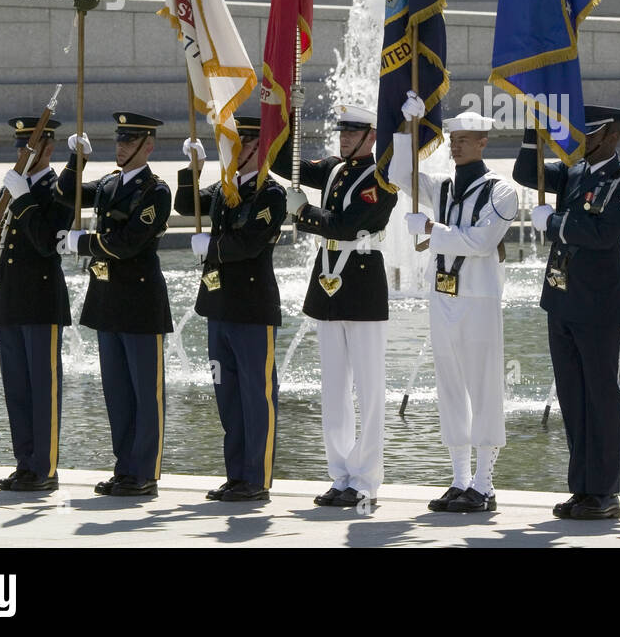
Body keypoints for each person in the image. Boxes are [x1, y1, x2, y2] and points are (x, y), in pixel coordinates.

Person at [390, 95, 519, 513]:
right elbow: (397, 174)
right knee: (449, 386)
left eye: (465, 139)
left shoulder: (501, 191)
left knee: (483, 386)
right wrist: (406, 128)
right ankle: (460, 477)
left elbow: (482, 242)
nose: (456, 146)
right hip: (442, 295)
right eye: (453, 139)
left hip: (479, 298)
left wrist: (432, 228)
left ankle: (485, 482)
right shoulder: (443, 186)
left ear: (483, 142)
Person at [514, 105, 620, 520]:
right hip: (561, 297)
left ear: (609, 136)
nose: (576, 140)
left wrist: (553, 223)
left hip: (601, 303)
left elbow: (603, 234)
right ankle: (582, 488)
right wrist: (533, 131)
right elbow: (525, 174)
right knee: (572, 395)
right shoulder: (573, 172)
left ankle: (604, 492)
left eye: (585, 134)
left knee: (602, 395)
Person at [57, 112, 173, 497]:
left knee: (145, 392)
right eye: (119, 140)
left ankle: (145, 473)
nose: (120, 146)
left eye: (129, 141)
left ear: (148, 146)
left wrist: (84, 244)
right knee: (118, 393)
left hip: (140, 302)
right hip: (106, 302)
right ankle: (124, 468)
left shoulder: (155, 191)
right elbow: (65, 194)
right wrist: (76, 160)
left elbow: (128, 243)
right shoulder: (108, 183)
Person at [290, 104, 398, 510]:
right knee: (334, 388)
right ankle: (340, 475)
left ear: (372, 136)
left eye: (354, 132)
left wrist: (303, 212)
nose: (345, 137)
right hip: (327, 281)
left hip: (362, 279)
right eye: (343, 131)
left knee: (369, 388)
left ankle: (365, 480)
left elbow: (347, 225)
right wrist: (282, 114)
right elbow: (287, 162)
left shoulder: (381, 179)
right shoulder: (336, 169)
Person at [175, 117, 287, 502]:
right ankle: (236, 474)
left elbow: (250, 244)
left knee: (257, 397)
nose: (230, 150)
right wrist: (192, 170)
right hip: (219, 307)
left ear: (258, 146)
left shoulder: (271, 194)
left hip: (253, 309)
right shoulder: (225, 189)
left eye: (237, 143)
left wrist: (213, 248)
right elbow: (185, 205)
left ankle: (257, 479)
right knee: (228, 396)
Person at [0, 116, 71, 492]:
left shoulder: (59, 190)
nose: (22, 152)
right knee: (18, 389)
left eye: (30, 146)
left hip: (40, 302)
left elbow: (46, 243)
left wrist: (23, 199)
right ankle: (25, 463)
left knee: (43, 387)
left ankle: (45, 469)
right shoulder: (12, 185)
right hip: (8, 301)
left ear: (49, 148)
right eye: (19, 145)